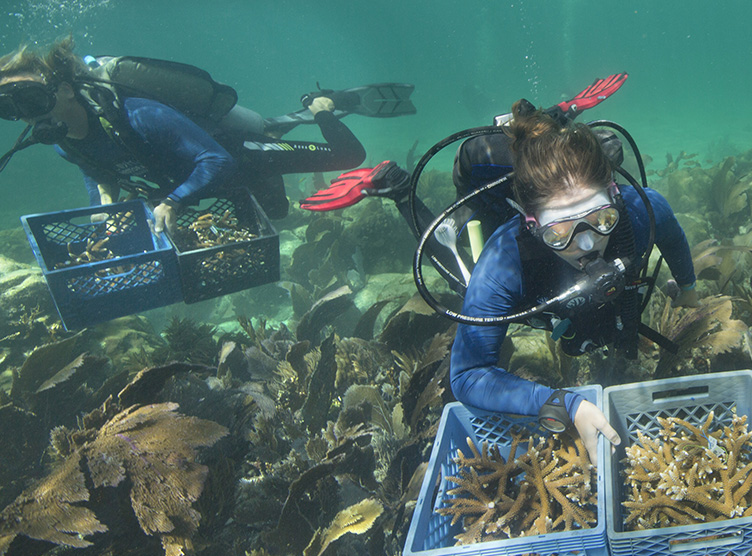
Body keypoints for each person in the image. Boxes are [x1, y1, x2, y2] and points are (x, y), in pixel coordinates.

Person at [302, 84, 700, 463]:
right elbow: (468, 375)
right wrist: (562, 404)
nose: (586, 243)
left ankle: (551, 121)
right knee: (459, 271)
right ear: (532, 223)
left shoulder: (642, 209)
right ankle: (397, 187)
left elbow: (672, 235)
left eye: (602, 219)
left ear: (615, 197)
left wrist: (688, 287)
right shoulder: (505, 260)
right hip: (498, 217)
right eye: (559, 232)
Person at [0, 38, 367, 232]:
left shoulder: (139, 114)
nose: (27, 116)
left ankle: (318, 106)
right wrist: (105, 205)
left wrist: (173, 201)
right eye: (10, 109)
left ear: (66, 90)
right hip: (194, 178)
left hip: (235, 153)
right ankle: (272, 127)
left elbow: (217, 160)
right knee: (277, 212)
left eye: (31, 100)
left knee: (348, 156)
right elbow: (96, 171)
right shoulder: (66, 144)